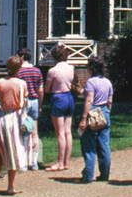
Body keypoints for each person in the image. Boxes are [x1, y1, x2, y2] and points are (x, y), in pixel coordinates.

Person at [0, 56, 28, 195]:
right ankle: (10, 186)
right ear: (19, 68)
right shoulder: (22, 83)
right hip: (15, 116)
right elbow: (24, 101)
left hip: (2, 116)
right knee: (13, 150)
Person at [78, 56, 112, 184]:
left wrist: (83, 118)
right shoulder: (107, 82)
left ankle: (88, 175)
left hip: (93, 112)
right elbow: (110, 100)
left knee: (89, 146)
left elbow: (89, 100)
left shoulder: (91, 82)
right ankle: (104, 174)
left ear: (91, 68)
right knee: (104, 145)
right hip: (104, 112)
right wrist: (108, 112)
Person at [44, 44, 76, 172]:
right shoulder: (71, 68)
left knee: (60, 133)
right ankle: (66, 161)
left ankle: (60, 162)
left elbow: (47, 89)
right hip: (69, 97)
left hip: (58, 98)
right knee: (68, 132)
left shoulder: (52, 71)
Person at [17, 49, 43, 170]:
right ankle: (34, 162)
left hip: (24, 102)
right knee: (34, 133)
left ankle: (24, 162)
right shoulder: (37, 71)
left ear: (22, 57)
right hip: (35, 101)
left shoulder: (19, 72)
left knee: (24, 132)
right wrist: (40, 105)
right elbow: (40, 90)